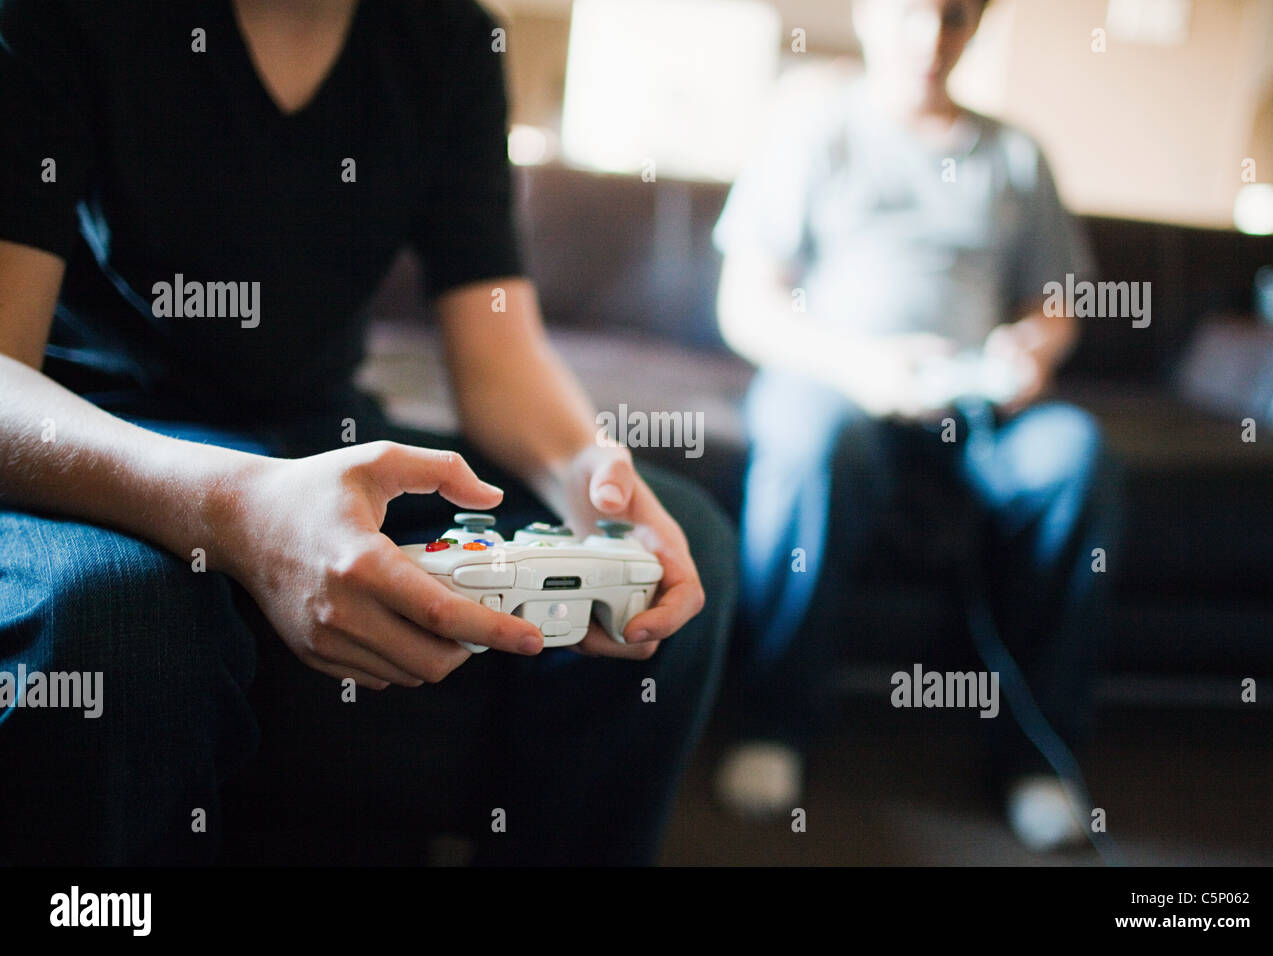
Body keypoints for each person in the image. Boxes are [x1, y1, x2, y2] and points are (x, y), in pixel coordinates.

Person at [0, 0, 735, 866]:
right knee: (118, 626)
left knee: (680, 556)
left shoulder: (453, 39)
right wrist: (234, 509)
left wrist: (587, 469)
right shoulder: (54, 18)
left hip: (321, 437)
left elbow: (497, 349)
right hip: (105, 438)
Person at [712, 0, 1112, 851]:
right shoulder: (815, 130)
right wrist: (860, 368)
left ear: (978, 26)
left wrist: (1033, 349)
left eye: (957, 17)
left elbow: (1056, 300)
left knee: (1074, 454)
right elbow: (748, 304)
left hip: (979, 406)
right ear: (868, 15)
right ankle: (775, 722)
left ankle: (1036, 756)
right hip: (837, 385)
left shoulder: (1015, 152)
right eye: (914, 13)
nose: (932, 38)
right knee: (809, 441)